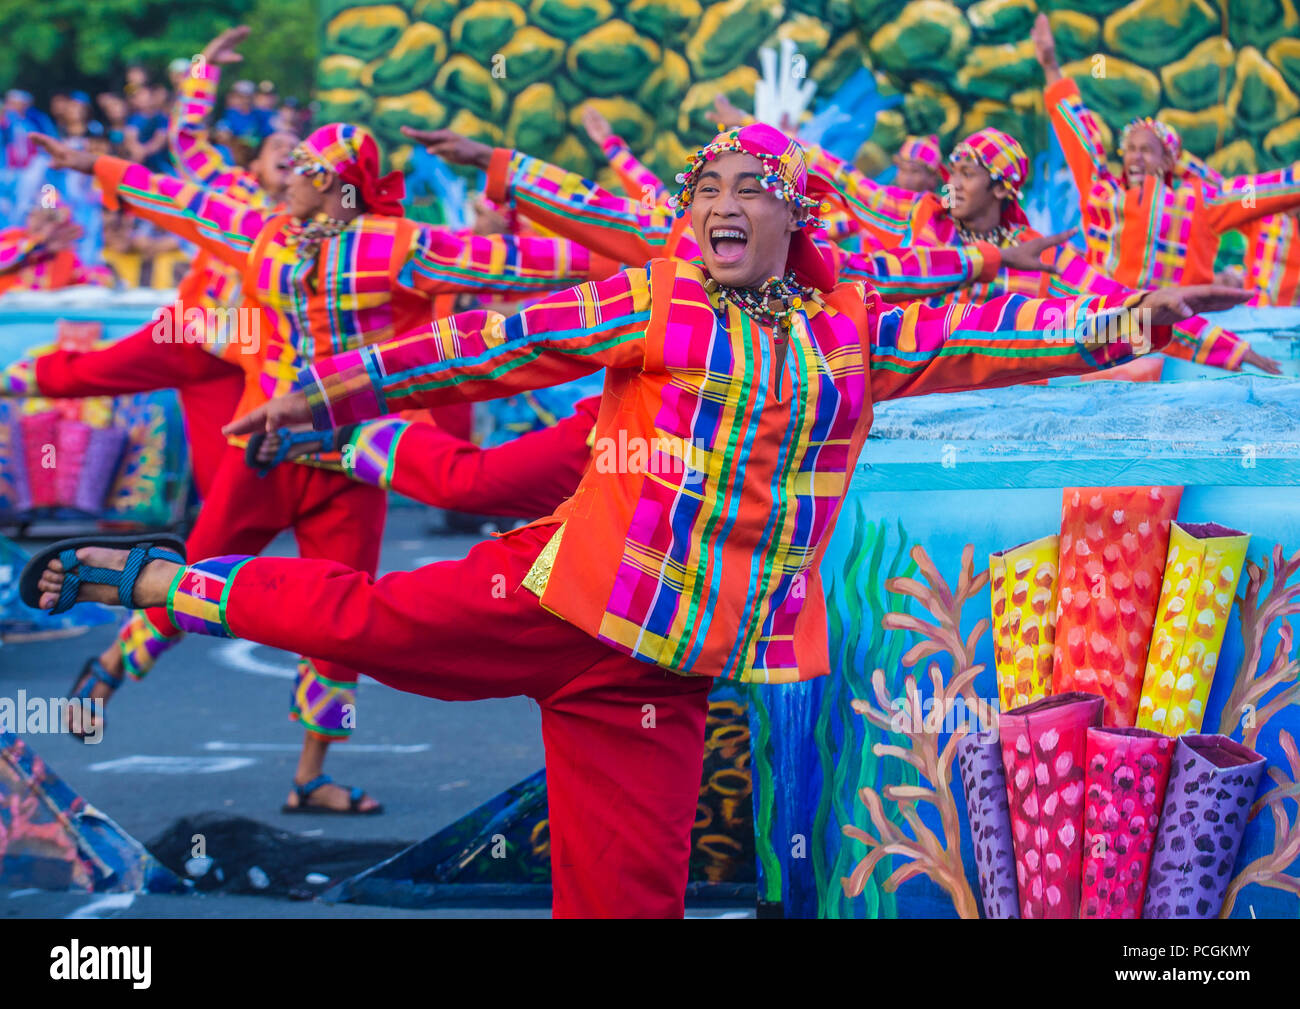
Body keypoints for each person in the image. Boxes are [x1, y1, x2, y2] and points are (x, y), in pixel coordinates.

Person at [25, 123, 1249, 915]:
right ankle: (149, 582)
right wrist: (335, 393)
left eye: (746, 190)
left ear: (793, 220)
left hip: (667, 664)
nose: (720, 202)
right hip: (565, 597)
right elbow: (502, 338)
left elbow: (998, 340)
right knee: (372, 621)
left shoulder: (853, 331)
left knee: (631, 899)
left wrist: (1142, 322)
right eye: (703, 186)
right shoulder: (658, 302)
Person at [28, 118, 615, 815]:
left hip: (350, 457)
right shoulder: (264, 233)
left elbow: (511, 260)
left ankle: (310, 776)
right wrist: (94, 162)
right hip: (268, 451)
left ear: (337, 187)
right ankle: (104, 675)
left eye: (303, 164)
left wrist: (633, 262)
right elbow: (180, 201)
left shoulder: (391, 247)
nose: (287, 173)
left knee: (341, 616)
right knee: (193, 573)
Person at [899, 126, 1279, 373]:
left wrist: (1234, 349)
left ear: (1000, 189)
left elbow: (1123, 303)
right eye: (952, 173)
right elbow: (850, 188)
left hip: (999, 404)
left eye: (968, 174)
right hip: (918, 391)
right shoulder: (928, 226)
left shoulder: (1041, 256)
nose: (954, 185)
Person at [1031, 13, 1300, 289]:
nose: (1135, 156)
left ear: (1168, 160)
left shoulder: (1197, 203)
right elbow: (1080, 134)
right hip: (1109, 322)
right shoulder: (1103, 193)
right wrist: (1051, 66)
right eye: (1130, 149)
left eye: (1146, 150)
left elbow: (1256, 193)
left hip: (1173, 328)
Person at [0, 203, 113, 294]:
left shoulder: (66, 257)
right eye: (36, 214)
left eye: (49, 219)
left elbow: (93, 282)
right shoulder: (13, 236)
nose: (40, 222)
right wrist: (39, 244)